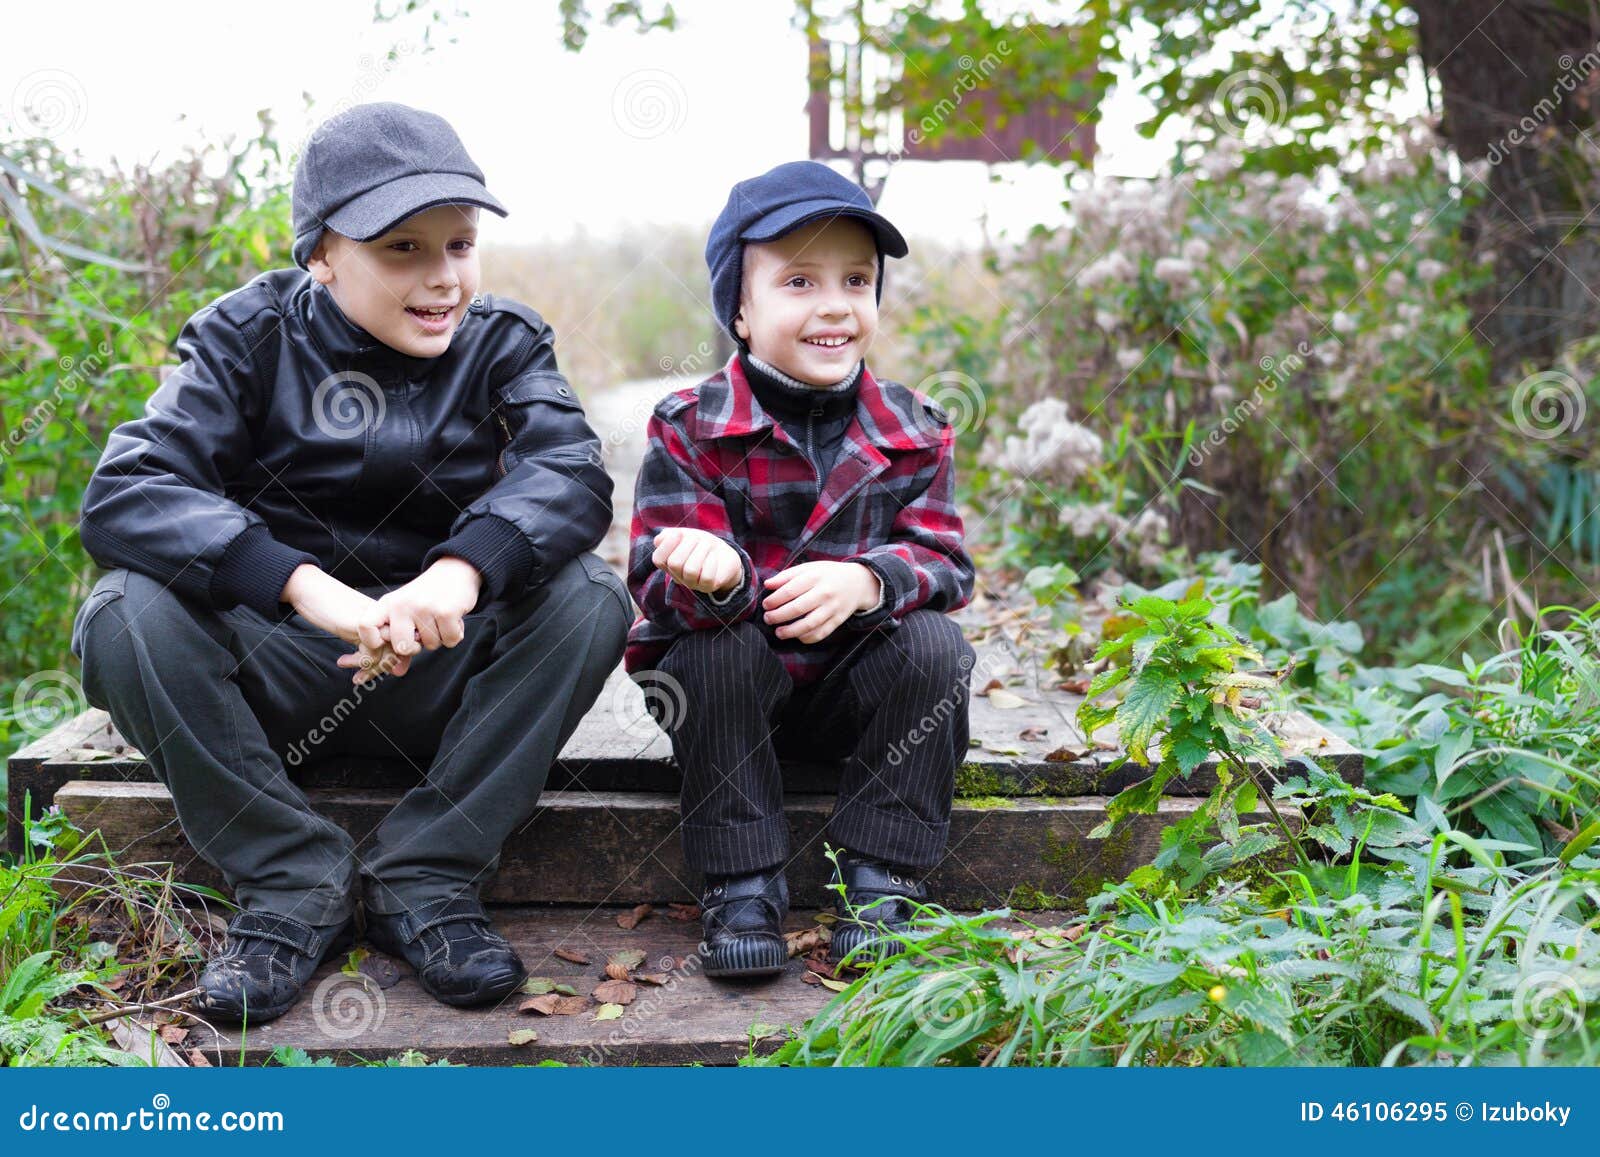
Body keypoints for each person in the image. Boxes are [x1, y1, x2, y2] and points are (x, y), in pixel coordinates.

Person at [71, 102, 630, 1022]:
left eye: (459, 244)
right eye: (402, 249)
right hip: (281, 672)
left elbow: (569, 469)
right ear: (321, 253)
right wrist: (307, 589)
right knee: (126, 612)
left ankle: (429, 875)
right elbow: (130, 488)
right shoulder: (240, 337)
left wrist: (461, 571)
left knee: (587, 596)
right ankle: (294, 883)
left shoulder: (504, 339)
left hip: (441, 671)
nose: (444, 278)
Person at [626, 160, 976, 978]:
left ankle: (882, 878)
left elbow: (947, 560)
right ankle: (743, 883)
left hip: (858, 694)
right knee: (709, 654)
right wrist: (715, 576)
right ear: (741, 311)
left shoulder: (914, 426)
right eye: (798, 280)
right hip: (735, 699)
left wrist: (871, 579)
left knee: (937, 649)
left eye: (856, 279)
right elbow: (651, 580)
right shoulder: (692, 424)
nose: (833, 304)